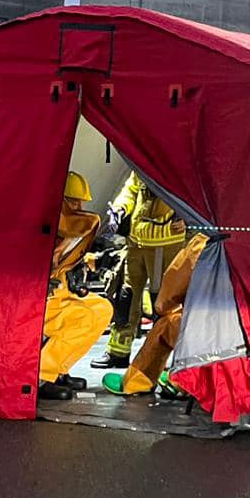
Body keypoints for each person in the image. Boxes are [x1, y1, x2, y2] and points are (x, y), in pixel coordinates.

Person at [103, 232, 209, 397]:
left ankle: (140, 382)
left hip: (212, 329)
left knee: (166, 325)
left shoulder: (203, 243)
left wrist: (165, 309)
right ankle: (183, 380)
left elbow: (168, 296)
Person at [102, 170, 187, 368]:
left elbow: (197, 197)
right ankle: (118, 352)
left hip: (165, 241)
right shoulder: (141, 161)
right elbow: (131, 190)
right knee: (126, 296)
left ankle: (157, 358)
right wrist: (119, 208)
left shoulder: (180, 163)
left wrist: (188, 219)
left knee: (162, 302)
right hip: (137, 241)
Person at [38, 173, 115, 392]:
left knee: (101, 309)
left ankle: (59, 370)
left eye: (80, 201)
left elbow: (67, 261)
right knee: (80, 318)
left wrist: (93, 261)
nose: (78, 206)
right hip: (42, 299)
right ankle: (42, 376)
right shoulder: (48, 225)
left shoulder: (68, 227)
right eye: (72, 201)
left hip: (60, 293)